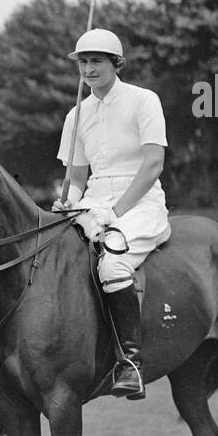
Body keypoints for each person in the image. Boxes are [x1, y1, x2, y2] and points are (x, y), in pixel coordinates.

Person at [51, 28, 170, 400]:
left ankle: (131, 361)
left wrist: (115, 213)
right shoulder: (77, 114)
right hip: (93, 203)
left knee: (113, 265)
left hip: (140, 203)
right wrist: (66, 202)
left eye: (96, 61)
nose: (88, 68)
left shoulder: (143, 100)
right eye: (83, 61)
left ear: (116, 63)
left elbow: (153, 165)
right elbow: (75, 178)